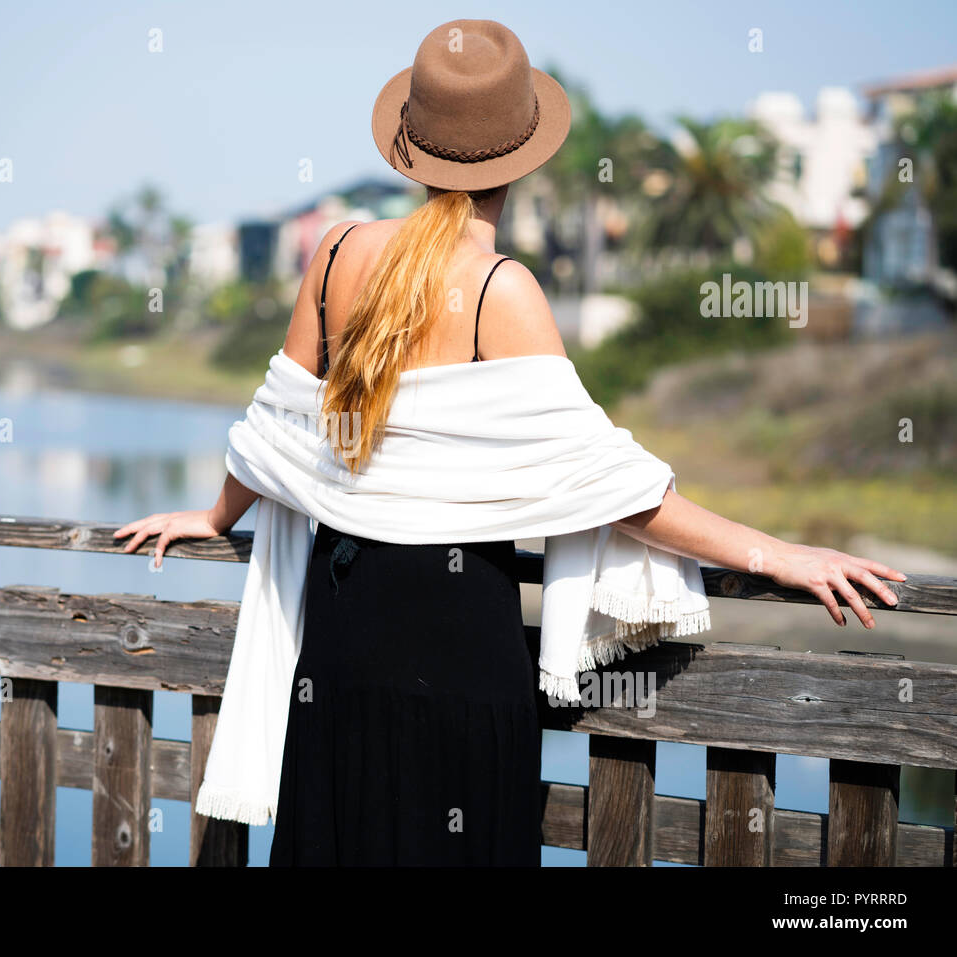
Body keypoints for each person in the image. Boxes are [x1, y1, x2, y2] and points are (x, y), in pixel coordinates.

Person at [114, 19, 905, 865]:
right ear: (522, 161)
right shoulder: (502, 289)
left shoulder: (338, 250)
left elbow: (275, 425)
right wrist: (778, 553)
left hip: (338, 639)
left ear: (408, 150)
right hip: (458, 650)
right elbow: (619, 489)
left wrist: (215, 512)